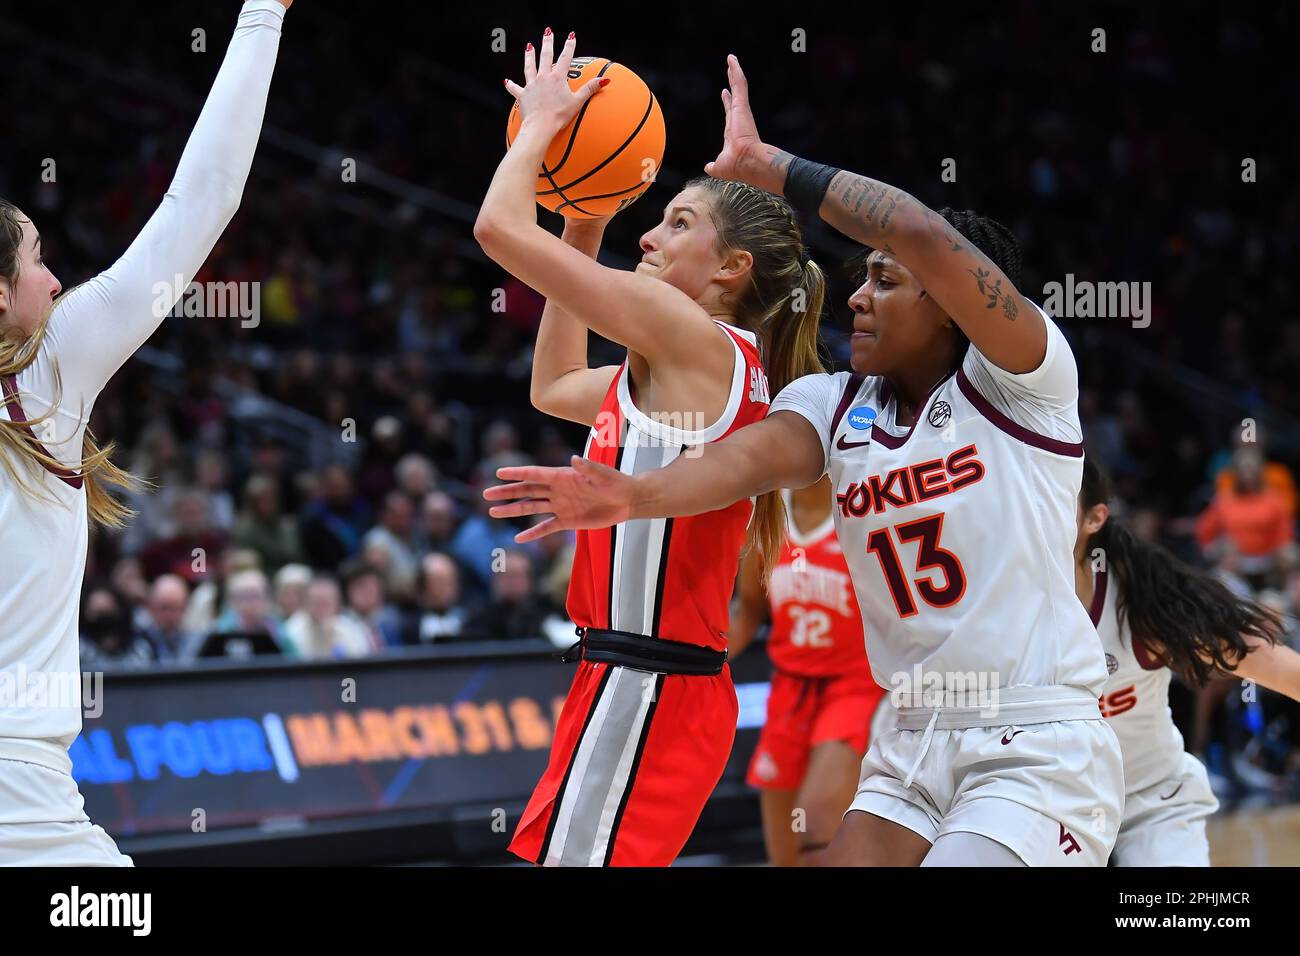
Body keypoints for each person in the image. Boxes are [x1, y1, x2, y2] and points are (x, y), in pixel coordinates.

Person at [484, 53, 1126, 866]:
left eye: (887, 282)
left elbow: (918, 230)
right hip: (908, 737)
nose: (857, 295)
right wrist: (634, 495)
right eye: (862, 280)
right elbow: (738, 464)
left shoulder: (1026, 386)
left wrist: (768, 168)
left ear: (947, 303)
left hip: (1035, 736)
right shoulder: (831, 403)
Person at [475, 31, 826, 866]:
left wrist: (538, 127)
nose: (652, 238)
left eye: (678, 224)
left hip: (648, 683)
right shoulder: (692, 368)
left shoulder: (690, 334)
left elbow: (495, 228)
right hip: (637, 681)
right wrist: (583, 217)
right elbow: (555, 384)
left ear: (731, 268)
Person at [0, 0, 289, 866]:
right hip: (23, 806)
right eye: (36, 260)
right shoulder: (43, 381)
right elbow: (201, 203)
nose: (54, 283)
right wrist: (263, 14)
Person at [1076, 458, 1300, 865]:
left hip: (1151, 803)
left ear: (1094, 518)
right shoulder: (1000, 605)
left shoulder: (1141, 600)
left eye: (1053, 496)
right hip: (1048, 807)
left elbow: (1279, 668)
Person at [729, 475, 883, 866]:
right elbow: (748, 609)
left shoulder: (860, 503)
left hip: (854, 686)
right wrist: (696, 659)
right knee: (784, 851)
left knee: (814, 828)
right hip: (789, 689)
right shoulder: (764, 511)